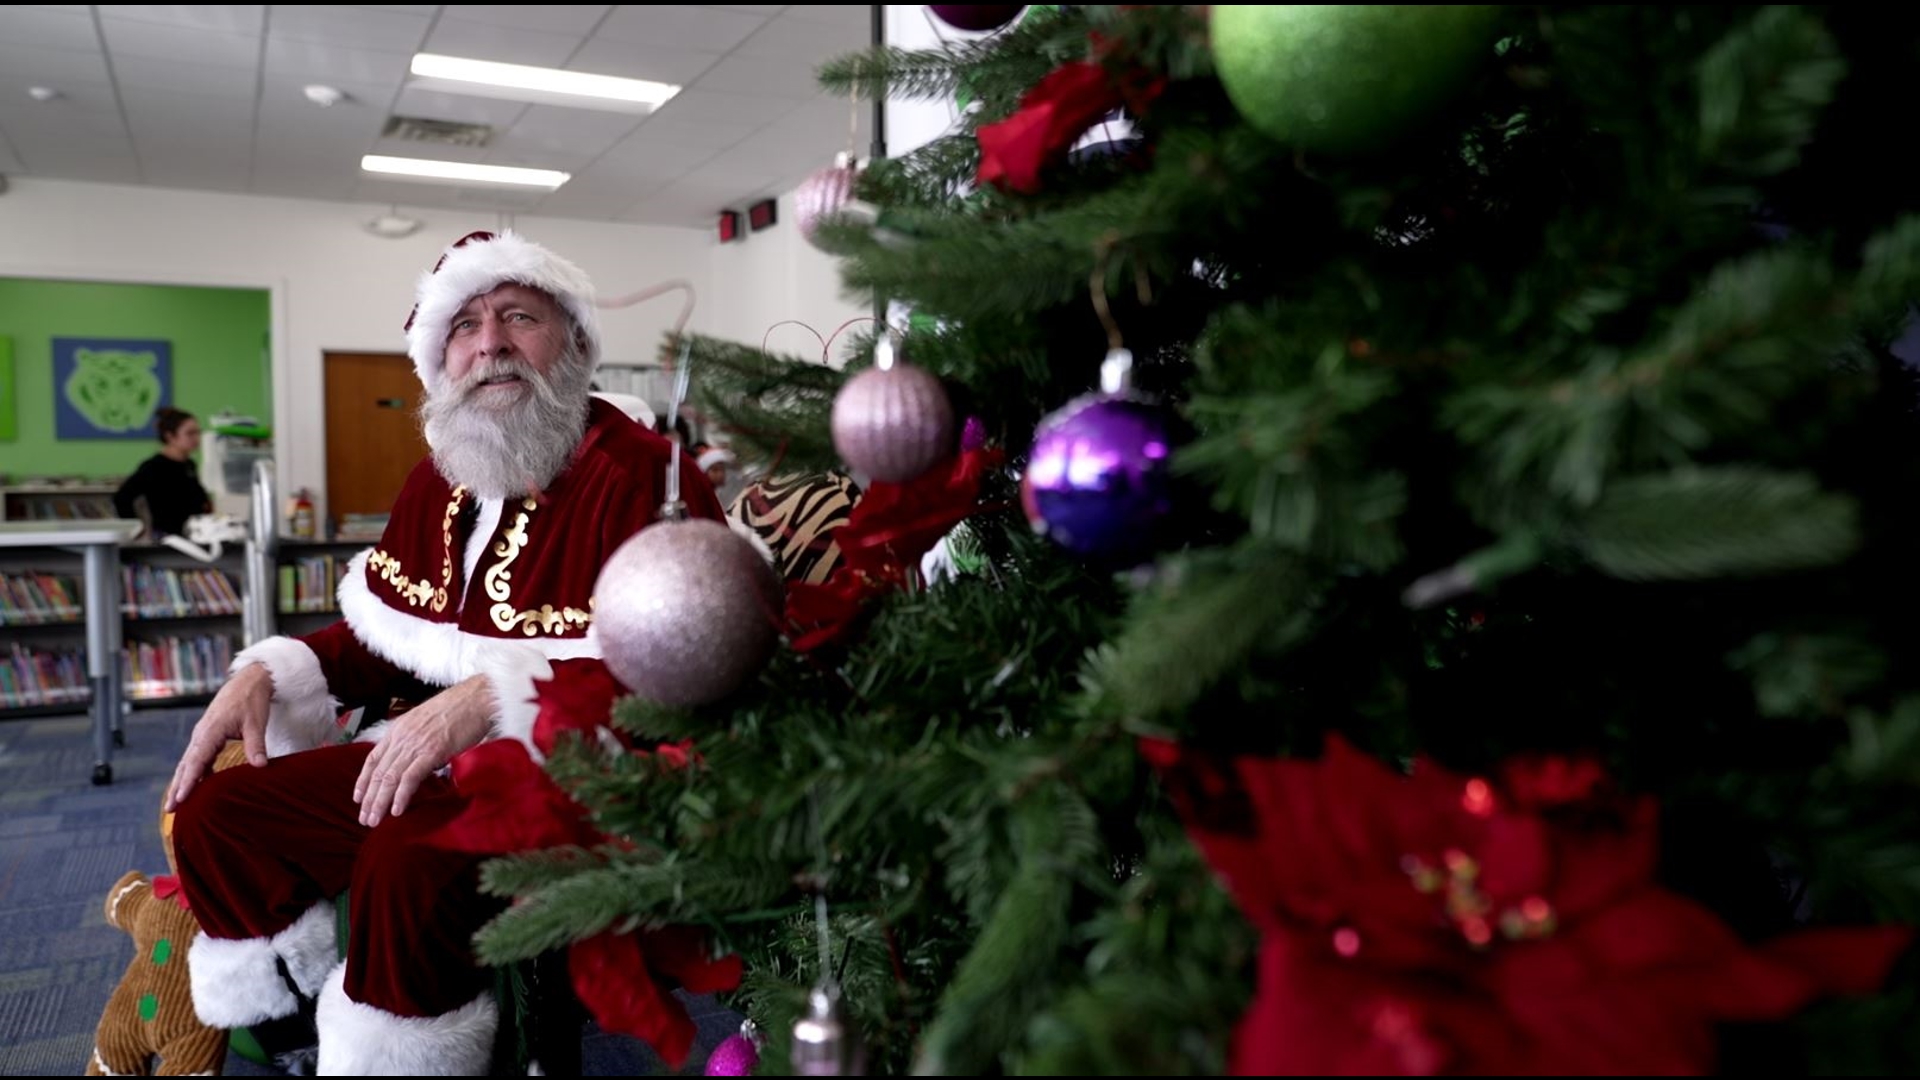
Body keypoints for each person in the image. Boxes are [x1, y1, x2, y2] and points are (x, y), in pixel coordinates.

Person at [164, 231, 725, 1075]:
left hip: (577, 769)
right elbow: (383, 637)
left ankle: (408, 1054)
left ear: (573, 340)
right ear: (441, 357)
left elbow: (690, 653)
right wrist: (269, 669)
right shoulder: (438, 479)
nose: (490, 341)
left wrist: (495, 698)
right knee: (219, 816)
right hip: (433, 760)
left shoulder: (647, 471)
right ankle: (300, 1025)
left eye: (518, 316)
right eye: (464, 324)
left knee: (403, 857)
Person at [112, 406, 212, 538]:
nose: (196, 438)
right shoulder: (153, 467)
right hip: (168, 538)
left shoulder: (189, 464)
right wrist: (136, 528)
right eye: (190, 433)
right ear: (170, 436)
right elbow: (122, 498)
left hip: (194, 533)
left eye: (198, 432)